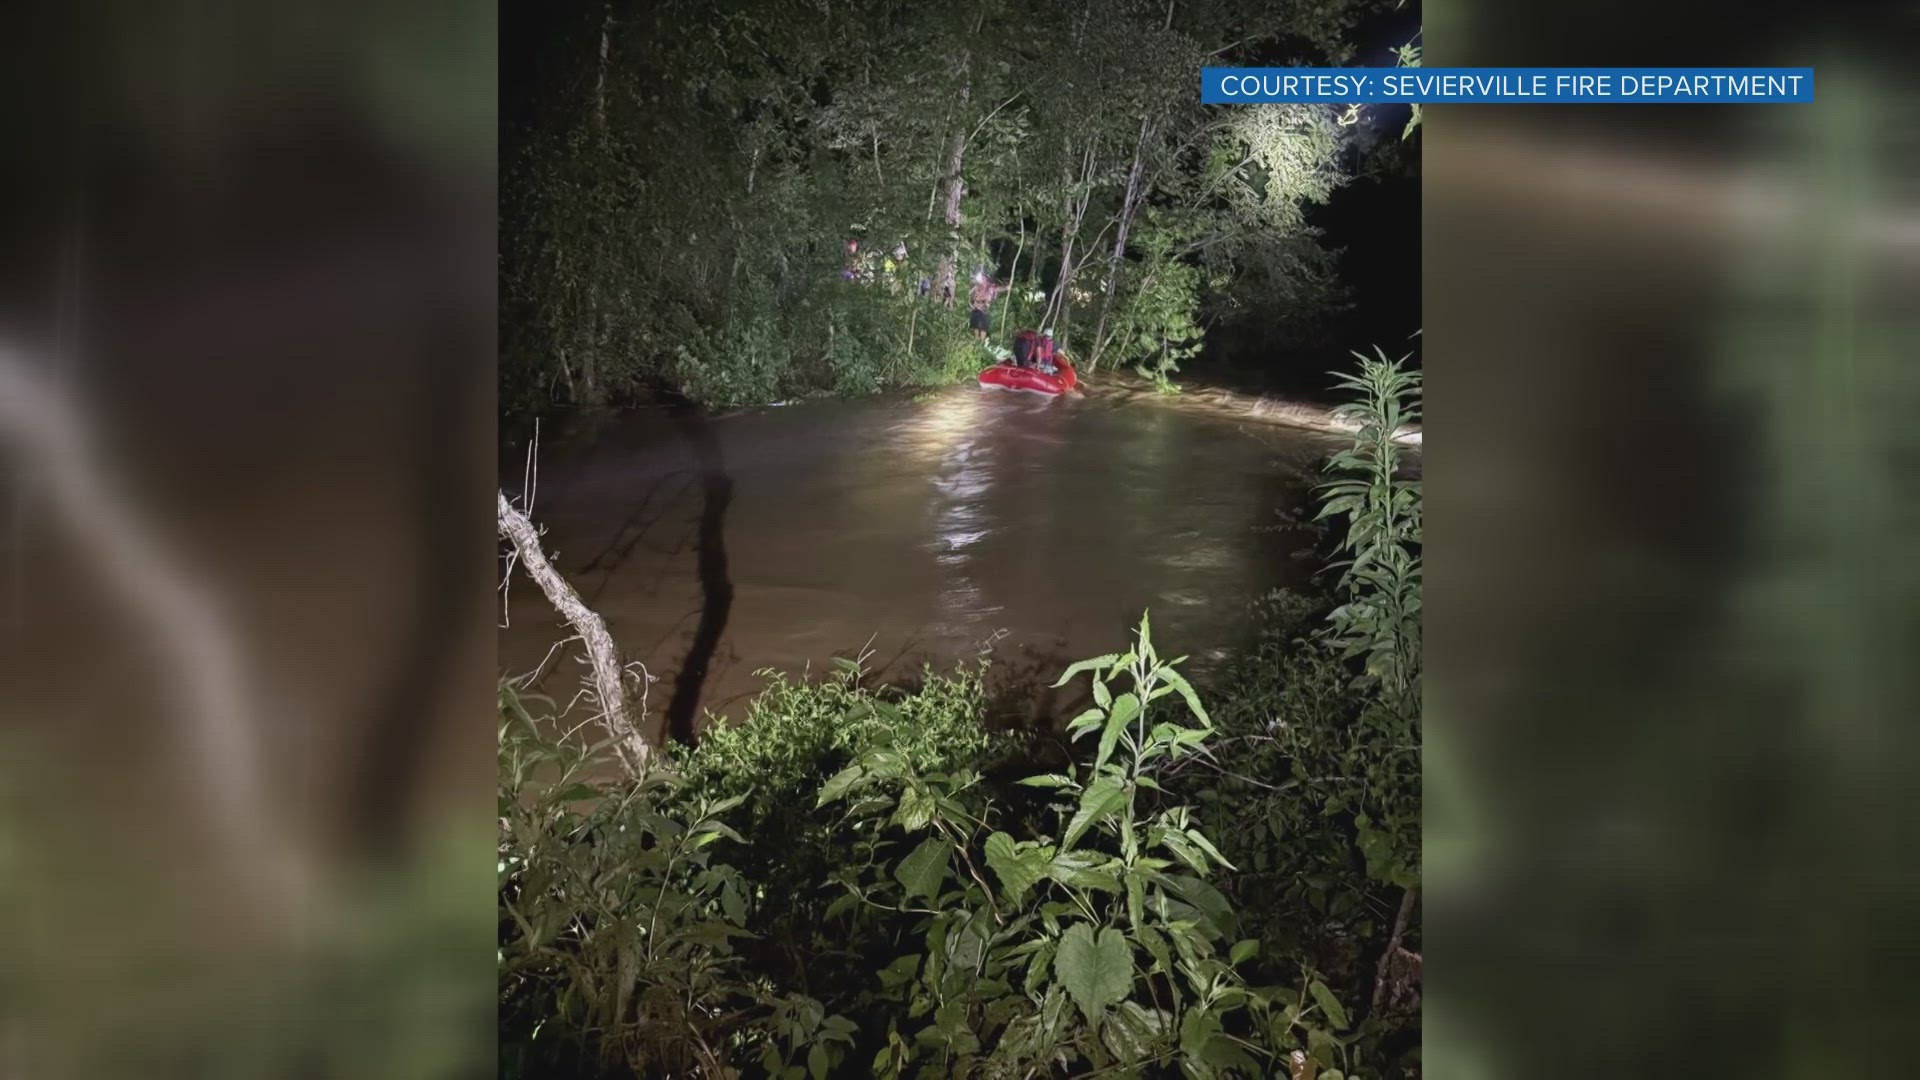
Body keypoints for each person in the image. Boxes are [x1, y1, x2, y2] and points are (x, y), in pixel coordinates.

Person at [968, 273, 1004, 343]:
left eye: (983, 279)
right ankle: (976, 340)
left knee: (983, 326)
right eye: (981, 279)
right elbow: (970, 295)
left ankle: (981, 342)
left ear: (986, 280)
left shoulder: (990, 288)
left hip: (985, 310)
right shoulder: (977, 287)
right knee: (975, 325)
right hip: (976, 308)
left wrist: (1007, 287)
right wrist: (971, 303)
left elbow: (998, 289)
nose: (982, 280)